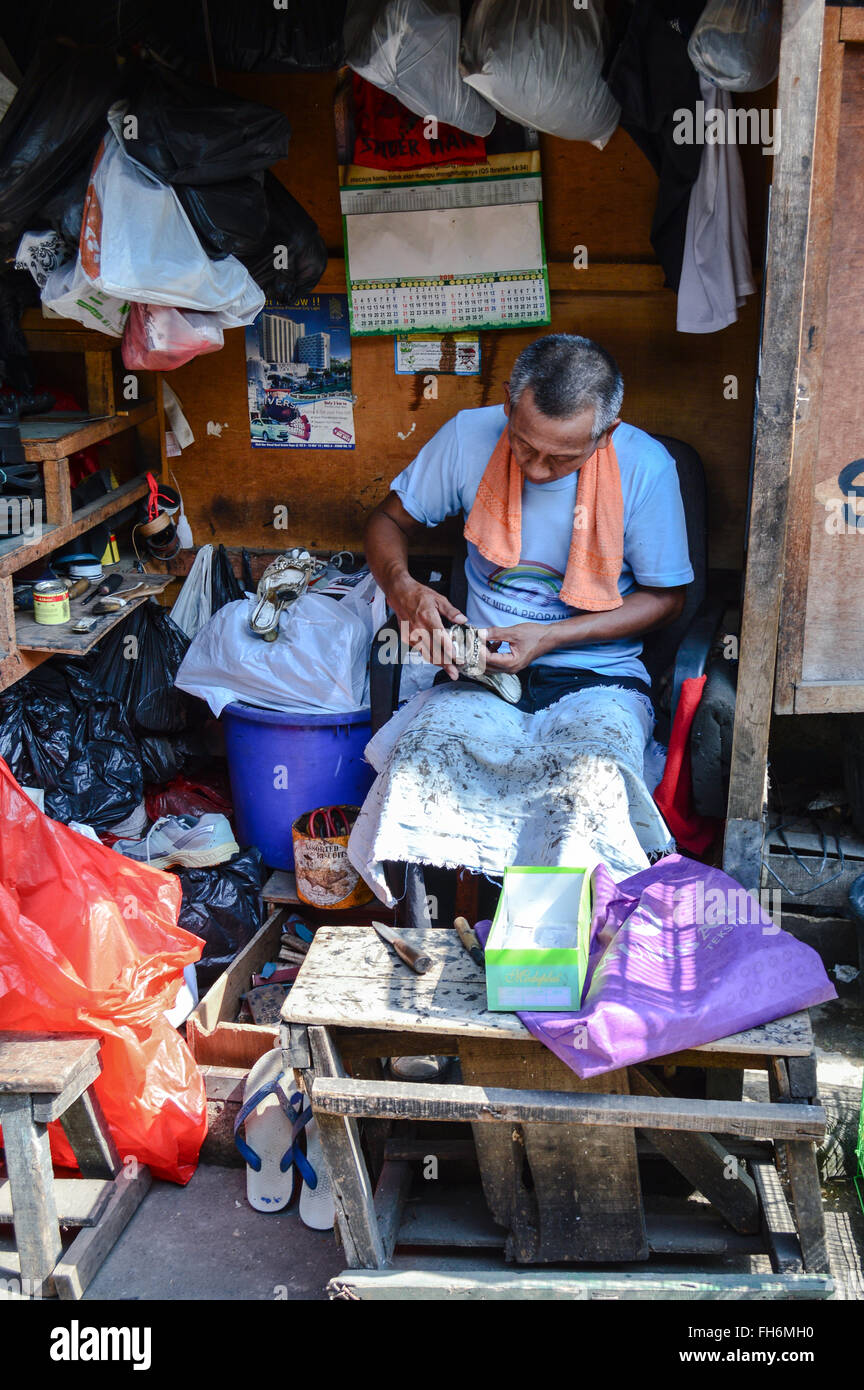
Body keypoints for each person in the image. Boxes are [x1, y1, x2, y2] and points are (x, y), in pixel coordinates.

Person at [350, 333, 695, 909]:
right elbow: (386, 523)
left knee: (588, 787)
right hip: (482, 671)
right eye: (524, 446)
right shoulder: (467, 436)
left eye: (561, 458)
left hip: (597, 676)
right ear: (510, 405)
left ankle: (557, 949)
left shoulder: (645, 468)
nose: (536, 469)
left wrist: (553, 637)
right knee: (419, 770)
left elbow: (667, 599)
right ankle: (436, 932)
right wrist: (405, 591)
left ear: (605, 434)